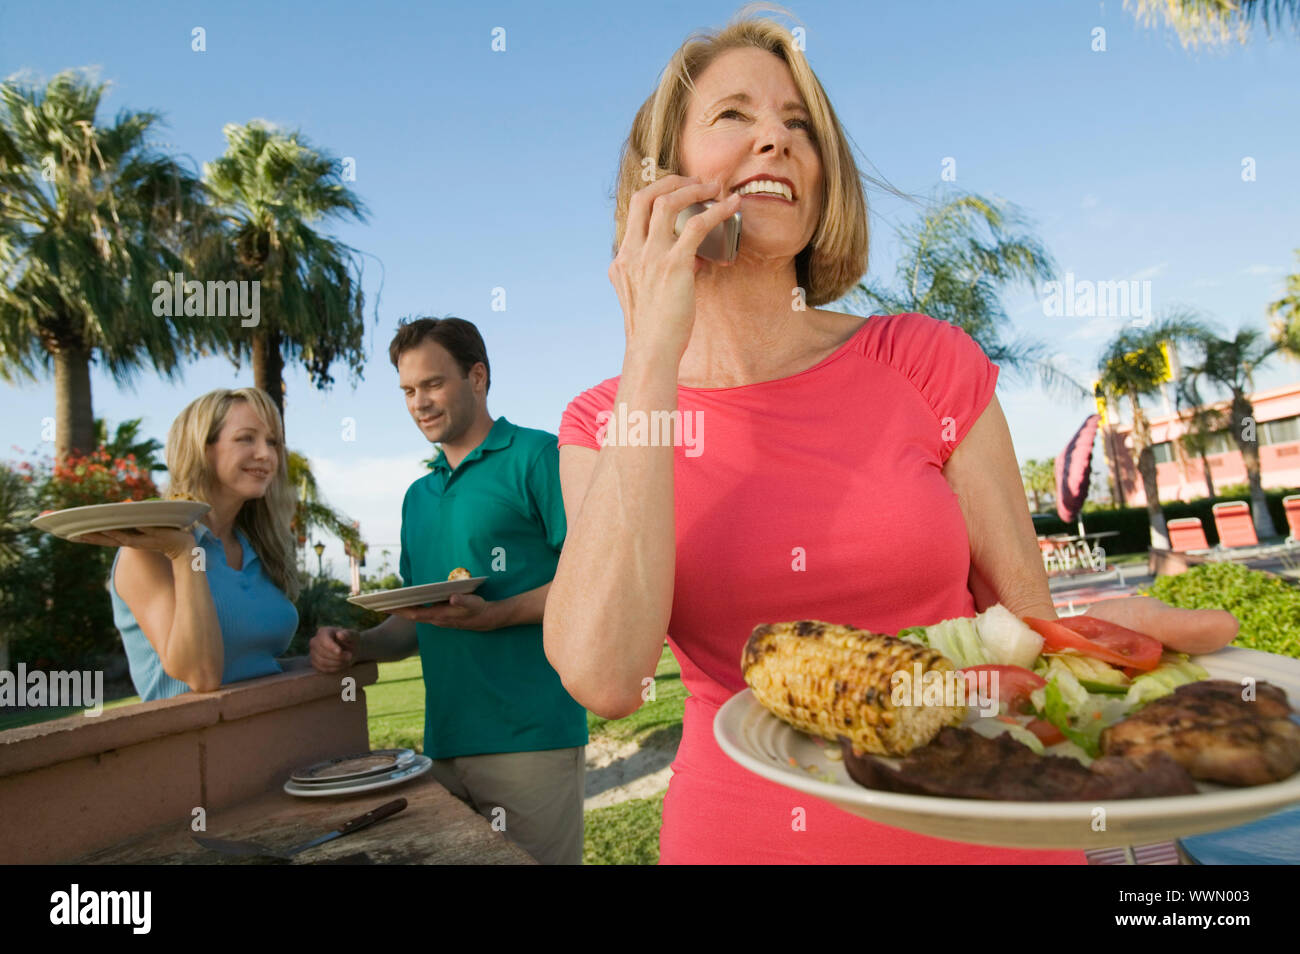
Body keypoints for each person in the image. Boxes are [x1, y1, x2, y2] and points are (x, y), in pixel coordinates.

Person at [544, 10, 1237, 864]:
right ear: (663, 175)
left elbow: (1024, 627)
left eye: (799, 125)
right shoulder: (600, 421)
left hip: (981, 819)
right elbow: (606, 677)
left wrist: (1105, 647)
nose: (776, 139)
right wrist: (652, 344)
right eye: (734, 115)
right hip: (744, 835)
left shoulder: (924, 360)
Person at [310, 317, 587, 865]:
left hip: (531, 739)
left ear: (477, 376)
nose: (419, 403)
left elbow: (594, 583)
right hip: (441, 748)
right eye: (408, 391)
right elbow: (414, 621)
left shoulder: (539, 457)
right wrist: (356, 645)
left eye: (433, 384)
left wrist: (499, 613)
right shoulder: (417, 496)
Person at [75, 387, 299, 701]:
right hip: (192, 745)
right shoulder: (147, 549)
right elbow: (202, 676)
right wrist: (185, 552)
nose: (266, 454)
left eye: (272, 442)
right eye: (246, 438)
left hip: (273, 736)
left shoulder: (257, 548)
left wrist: (331, 652)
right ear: (201, 448)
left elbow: (260, 665)